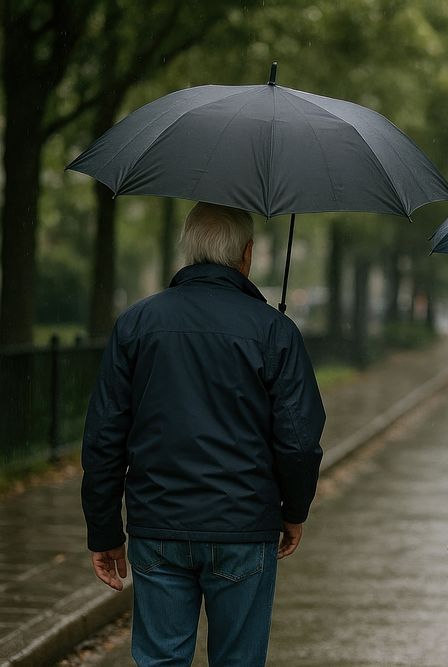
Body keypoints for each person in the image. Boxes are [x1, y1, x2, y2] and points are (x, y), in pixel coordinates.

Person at [81, 202, 326, 666]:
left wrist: (104, 529)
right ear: (246, 255)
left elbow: (104, 435)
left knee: (160, 660)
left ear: (189, 251)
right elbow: (297, 439)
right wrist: (294, 510)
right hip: (243, 525)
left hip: (159, 523)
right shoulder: (275, 331)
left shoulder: (136, 324)